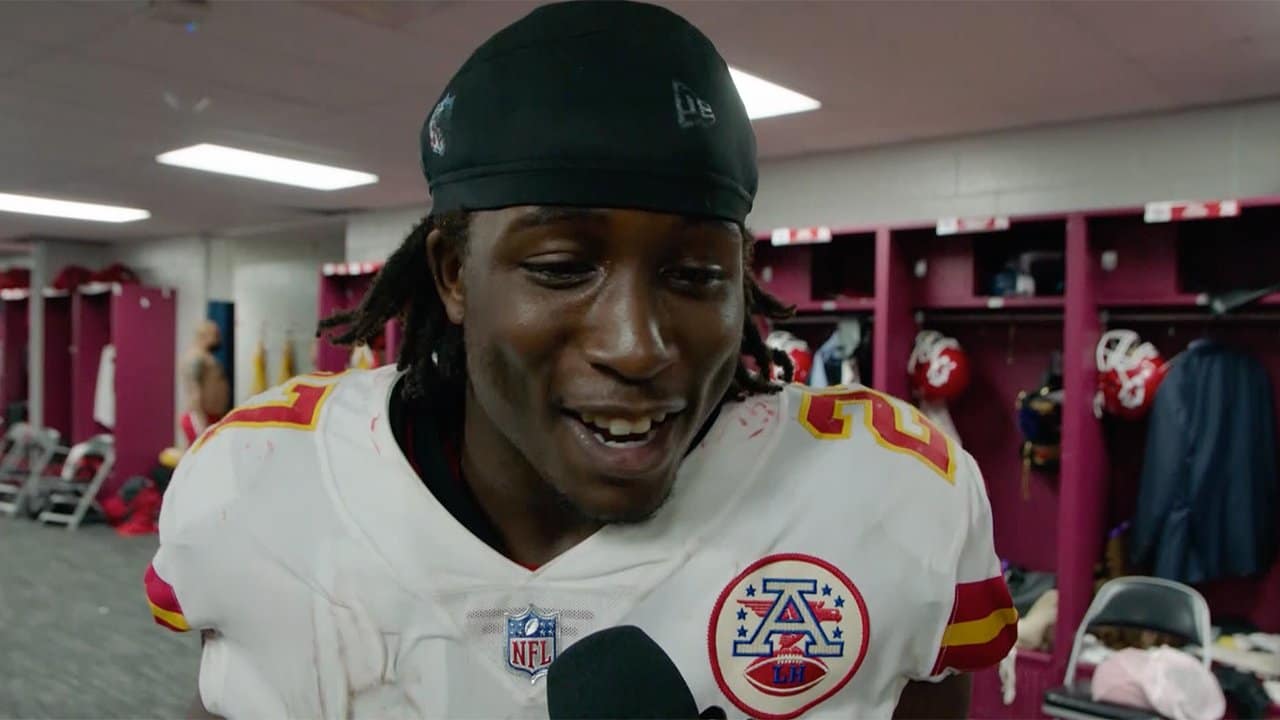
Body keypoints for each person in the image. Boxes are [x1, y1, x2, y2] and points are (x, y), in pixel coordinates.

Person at [144, 2, 1017, 718]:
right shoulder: (261, 483)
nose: (637, 345)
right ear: (453, 275)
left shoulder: (886, 495)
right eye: (562, 269)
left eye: (696, 275)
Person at [177, 320, 229, 448]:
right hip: (200, 417)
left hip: (212, 417)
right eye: (215, 335)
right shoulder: (195, 357)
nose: (219, 339)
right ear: (204, 335)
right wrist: (201, 422)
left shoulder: (207, 357)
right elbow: (193, 390)